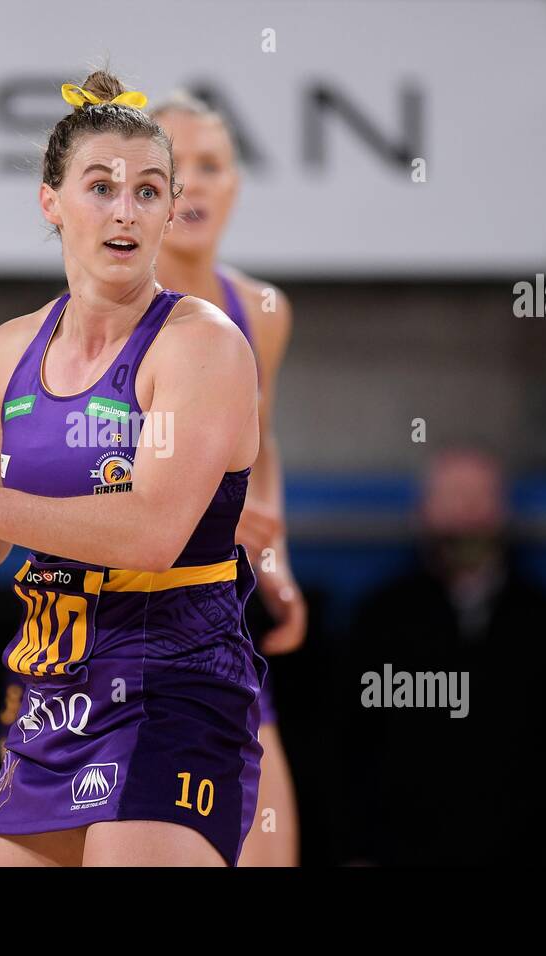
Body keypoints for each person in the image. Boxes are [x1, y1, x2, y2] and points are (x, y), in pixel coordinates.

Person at [0, 69, 266, 867]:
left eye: (148, 191)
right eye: (100, 186)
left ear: (172, 210)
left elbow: (151, 535)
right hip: (51, 698)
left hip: (172, 686)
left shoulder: (200, 345)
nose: (124, 210)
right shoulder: (9, 351)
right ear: (51, 201)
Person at [334, 447, 546, 865]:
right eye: (452, 499)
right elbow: (338, 740)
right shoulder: (382, 619)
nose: (464, 517)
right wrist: (358, 845)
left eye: (478, 499)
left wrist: (535, 793)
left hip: (519, 856)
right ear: (424, 512)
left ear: (502, 512)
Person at [149, 90, 305, 866]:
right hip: (126, 622)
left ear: (237, 183)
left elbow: (260, 441)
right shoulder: (114, 310)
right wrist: (213, 508)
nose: (194, 187)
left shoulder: (261, 308)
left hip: (221, 615)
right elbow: (86, 464)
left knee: (268, 844)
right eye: (173, 172)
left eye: (211, 167)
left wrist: (273, 558)